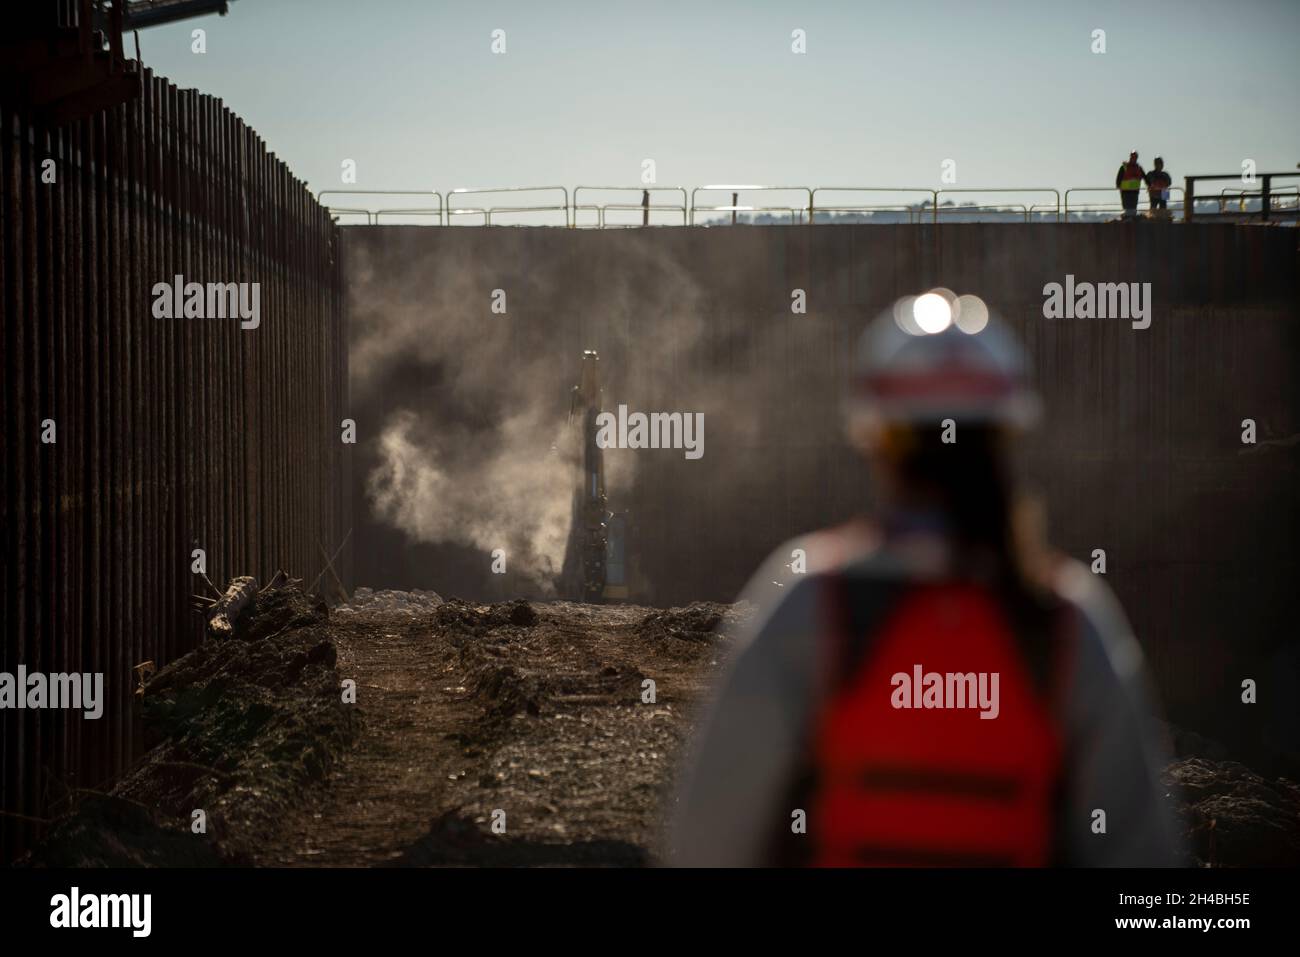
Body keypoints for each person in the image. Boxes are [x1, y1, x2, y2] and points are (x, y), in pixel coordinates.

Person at [670, 293, 1182, 867]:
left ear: (876, 439)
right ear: (1006, 437)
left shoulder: (809, 599)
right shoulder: (1067, 619)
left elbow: (708, 842)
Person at [1115, 151, 1146, 220]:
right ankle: (1128, 219)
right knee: (1127, 207)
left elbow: (1145, 177)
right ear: (1130, 157)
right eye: (1133, 157)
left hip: (1134, 192)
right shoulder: (1124, 167)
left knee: (1133, 208)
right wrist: (1118, 184)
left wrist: (1150, 184)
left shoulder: (1138, 168)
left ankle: (1130, 219)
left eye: (1135, 157)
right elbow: (1119, 177)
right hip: (1126, 191)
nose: (1133, 158)